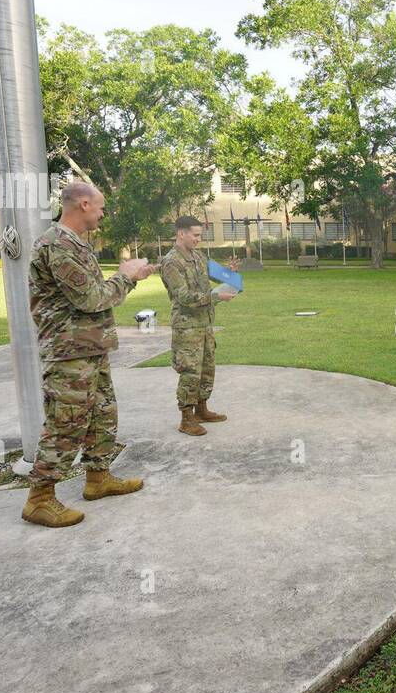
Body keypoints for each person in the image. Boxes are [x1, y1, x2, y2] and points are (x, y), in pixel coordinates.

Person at [22, 182, 156, 528]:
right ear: (83, 204)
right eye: (99, 206)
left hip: (89, 348)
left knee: (101, 414)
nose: (102, 212)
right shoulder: (57, 245)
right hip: (68, 352)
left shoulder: (77, 244)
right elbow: (92, 299)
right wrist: (126, 276)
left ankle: (98, 479)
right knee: (66, 423)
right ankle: (39, 498)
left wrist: (132, 277)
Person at [160, 215, 238, 437]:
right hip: (186, 327)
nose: (198, 240)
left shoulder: (197, 255)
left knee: (206, 368)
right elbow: (184, 296)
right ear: (181, 233)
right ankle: (186, 419)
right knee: (190, 372)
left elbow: (213, 274)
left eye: (200, 236)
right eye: (195, 235)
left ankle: (202, 410)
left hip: (204, 324)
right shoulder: (171, 262)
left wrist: (228, 272)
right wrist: (216, 296)